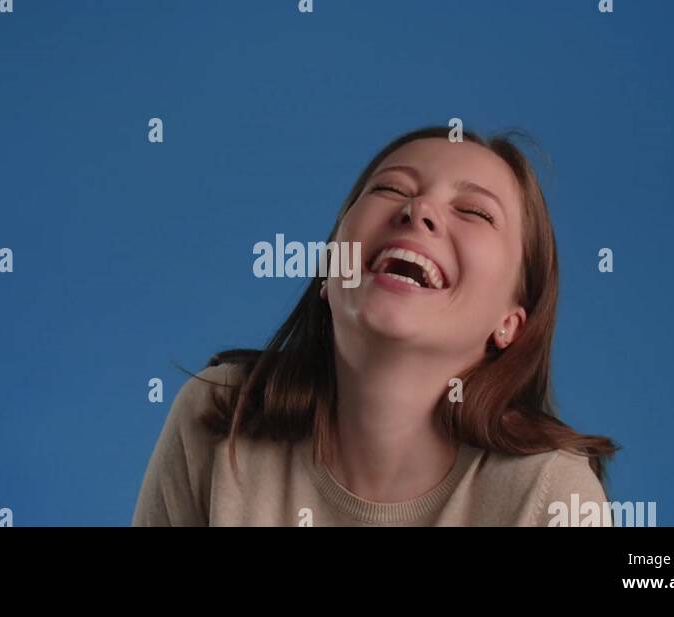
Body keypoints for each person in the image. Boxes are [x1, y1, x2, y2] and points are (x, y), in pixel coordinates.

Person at [133, 125, 618, 526]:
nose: (418, 209)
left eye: (474, 211)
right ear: (328, 275)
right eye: (391, 188)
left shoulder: (551, 495)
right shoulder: (220, 415)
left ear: (510, 323)